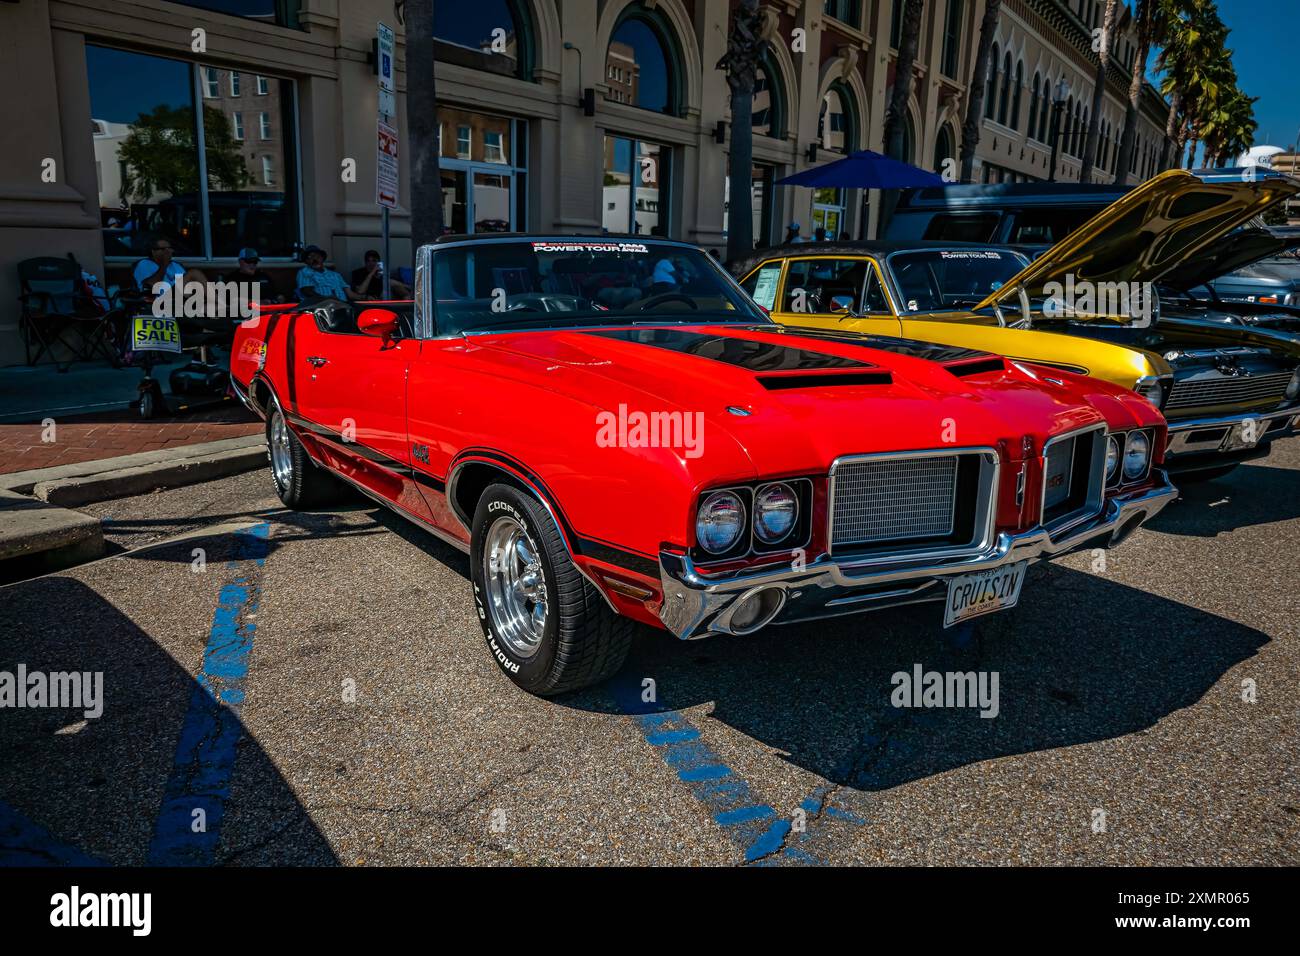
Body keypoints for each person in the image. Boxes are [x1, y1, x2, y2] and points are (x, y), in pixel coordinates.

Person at [132, 239, 206, 298]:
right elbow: (152, 286)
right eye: (163, 249)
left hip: (179, 298)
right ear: (153, 251)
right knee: (194, 273)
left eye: (169, 248)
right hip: (157, 298)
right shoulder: (144, 264)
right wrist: (164, 264)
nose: (167, 251)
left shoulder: (176, 265)